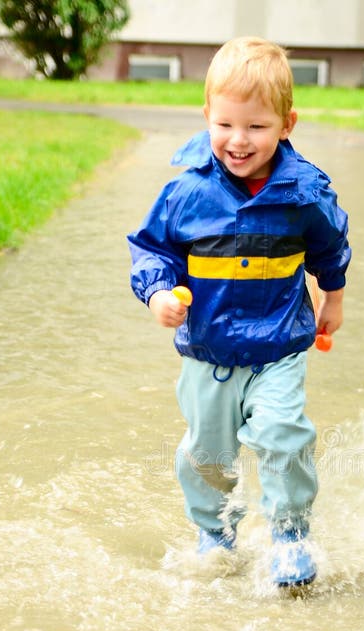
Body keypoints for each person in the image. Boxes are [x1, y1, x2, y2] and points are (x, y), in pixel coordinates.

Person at [127, 36, 351, 586]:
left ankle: (291, 536)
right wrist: (158, 292)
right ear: (207, 115)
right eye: (225, 124)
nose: (239, 140)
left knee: (284, 434)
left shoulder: (304, 193)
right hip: (209, 351)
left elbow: (329, 247)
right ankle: (216, 531)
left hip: (278, 346)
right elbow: (152, 248)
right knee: (208, 451)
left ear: (286, 124)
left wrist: (334, 297)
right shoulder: (186, 192)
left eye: (256, 126)